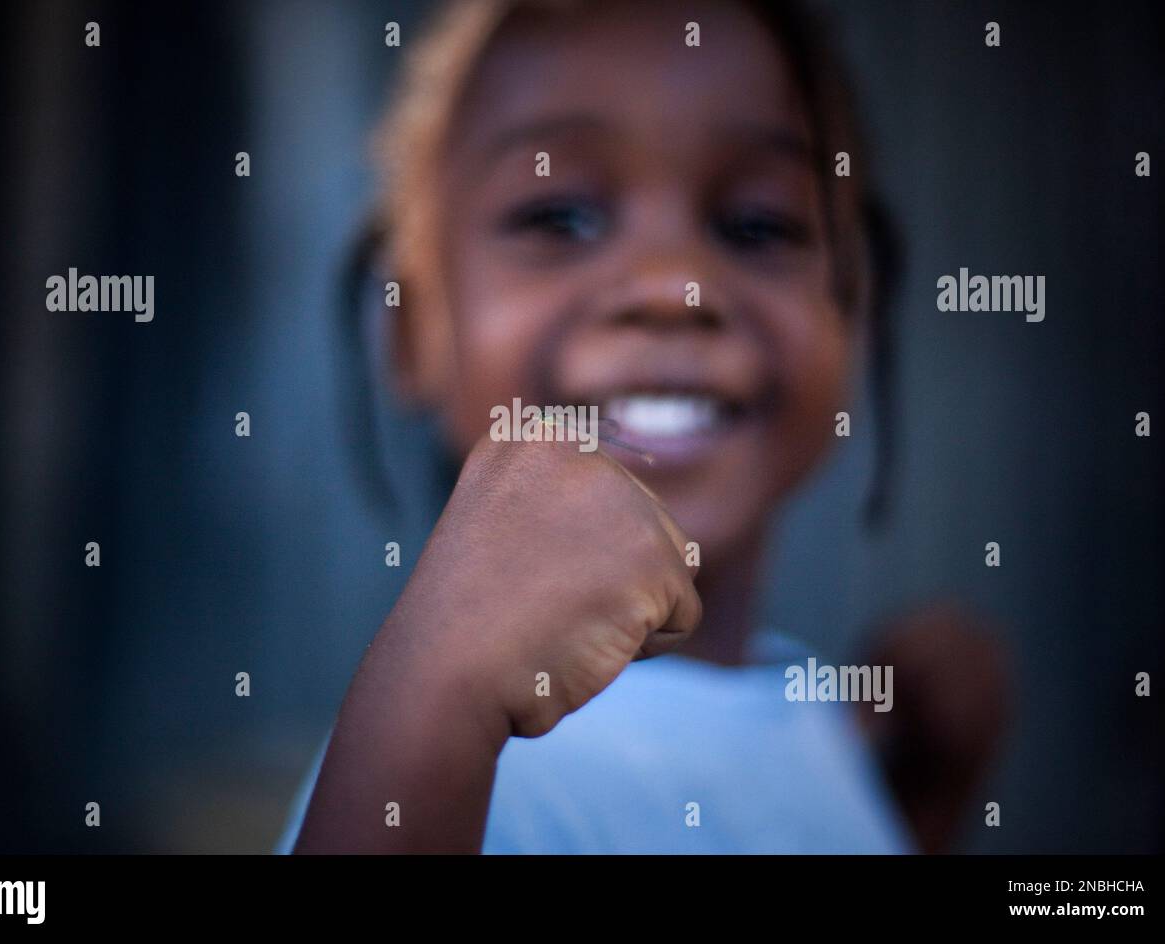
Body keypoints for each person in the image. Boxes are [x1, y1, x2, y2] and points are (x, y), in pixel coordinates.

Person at [285, 0, 1006, 854]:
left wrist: (923, 812)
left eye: (759, 224)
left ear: (856, 319)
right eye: (558, 218)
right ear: (413, 330)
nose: (672, 287)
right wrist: (432, 705)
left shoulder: (824, 718)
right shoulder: (438, 761)